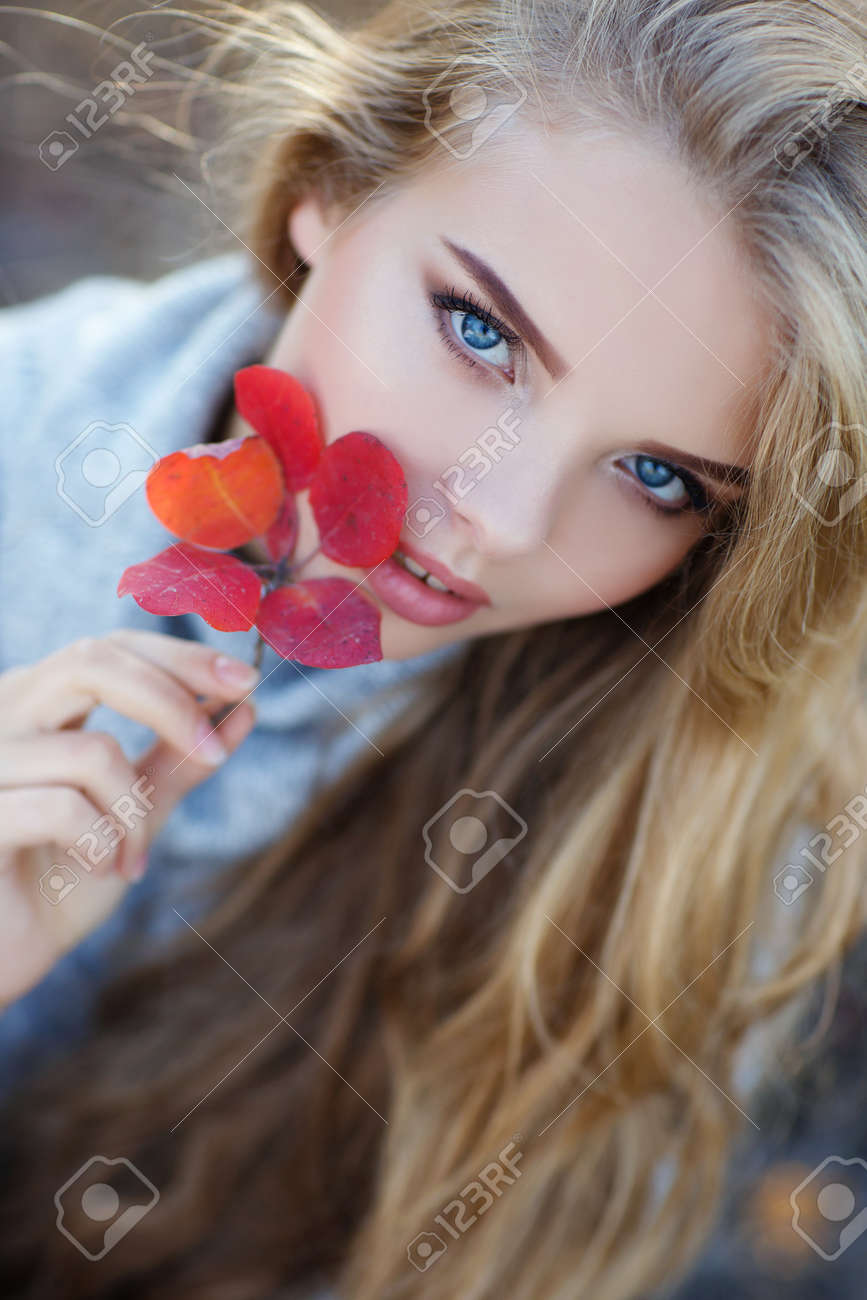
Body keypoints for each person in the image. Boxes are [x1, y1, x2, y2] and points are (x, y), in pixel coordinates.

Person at [0, 0, 865, 1296]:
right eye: (480, 334)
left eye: (657, 476)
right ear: (330, 192)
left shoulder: (692, 836)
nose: (505, 524)